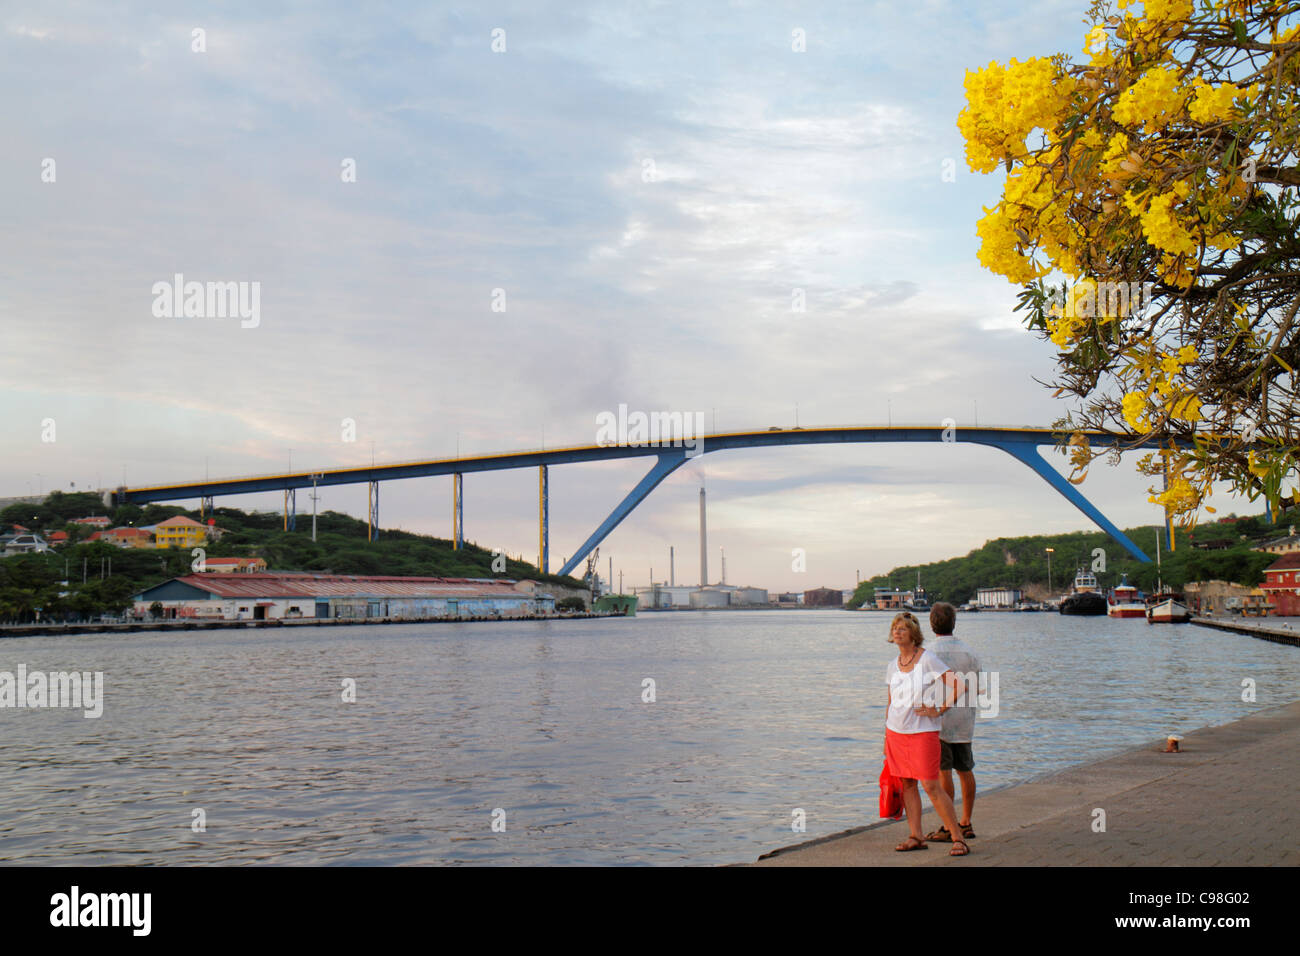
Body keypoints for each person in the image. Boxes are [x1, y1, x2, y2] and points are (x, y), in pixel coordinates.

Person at [883, 611, 971, 857]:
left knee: (931, 785)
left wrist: (939, 709)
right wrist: (885, 740)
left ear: (914, 634)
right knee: (907, 785)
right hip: (896, 733)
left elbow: (959, 686)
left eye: (903, 628)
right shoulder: (892, 666)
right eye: (895, 628)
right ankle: (916, 836)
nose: (897, 632)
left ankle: (958, 838)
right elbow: (890, 704)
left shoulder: (927, 660)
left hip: (923, 733)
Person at [923, 602, 980, 844]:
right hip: (965, 718)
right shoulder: (969, 651)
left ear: (932, 623)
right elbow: (976, 684)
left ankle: (949, 825)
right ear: (953, 623)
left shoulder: (927, 652)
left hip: (939, 718)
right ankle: (965, 821)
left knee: (943, 771)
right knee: (965, 769)